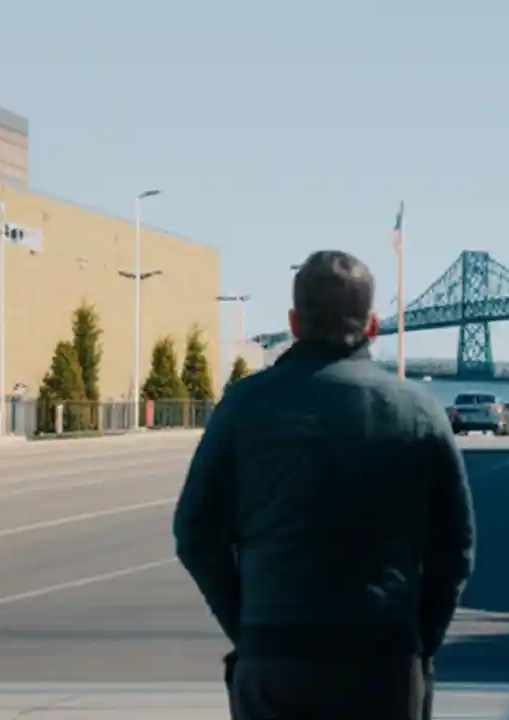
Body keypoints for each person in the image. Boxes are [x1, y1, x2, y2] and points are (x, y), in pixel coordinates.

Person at [174, 250, 475, 720]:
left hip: (275, 658)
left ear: (293, 323)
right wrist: (417, 643)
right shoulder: (419, 410)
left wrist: (248, 627)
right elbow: (455, 550)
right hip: (384, 661)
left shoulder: (242, 406)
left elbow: (194, 534)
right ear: (373, 325)